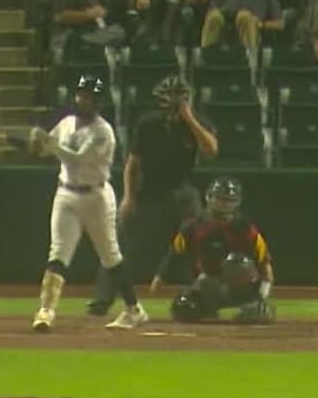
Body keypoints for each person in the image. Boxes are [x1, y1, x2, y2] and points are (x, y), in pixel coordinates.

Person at [88, 74, 218, 317]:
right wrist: (128, 197)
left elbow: (211, 149)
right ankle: (102, 298)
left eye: (180, 98)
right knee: (119, 242)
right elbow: (132, 164)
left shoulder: (197, 123)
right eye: (171, 98)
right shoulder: (148, 124)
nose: (175, 102)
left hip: (181, 191)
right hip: (148, 191)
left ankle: (205, 297)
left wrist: (189, 119)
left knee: (201, 236)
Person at [25, 74, 147, 332]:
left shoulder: (104, 132)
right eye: (81, 95)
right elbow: (44, 151)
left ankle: (134, 310)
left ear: (98, 101)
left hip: (96, 198)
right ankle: (46, 310)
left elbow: (77, 159)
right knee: (58, 253)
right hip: (66, 194)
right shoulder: (67, 123)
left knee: (110, 256)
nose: (83, 100)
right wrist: (31, 143)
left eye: (89, 96)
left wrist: (48, 142)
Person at [150, 177, 275, 325]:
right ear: (209, 197)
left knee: (236, 263)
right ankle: (209, 309)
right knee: (183, 309)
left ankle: (252, 307)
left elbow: (266, 267)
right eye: (220, 199)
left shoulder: (245, 228)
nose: (223, 204)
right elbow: (175, 252)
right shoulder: (192, 227)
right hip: (208, 284)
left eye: (228, 200)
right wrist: (160, 277)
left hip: (242, 285)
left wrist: (262, 296)